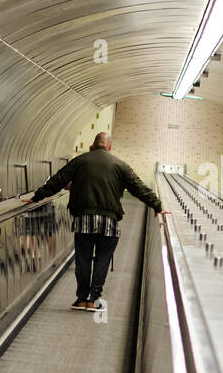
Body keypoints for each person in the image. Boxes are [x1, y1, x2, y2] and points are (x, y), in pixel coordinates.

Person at [23, 132, 169, 311]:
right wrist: (158, 206)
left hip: (83, 219)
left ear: (93, 144)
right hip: (109, 222)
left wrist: (36, 197)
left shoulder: (80, 161)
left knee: (83, 260)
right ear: (109, 147)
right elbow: (139, 188)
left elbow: (58, 180)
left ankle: (81, 299)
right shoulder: (120, 165)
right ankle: (94, 299)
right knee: (102, 260)